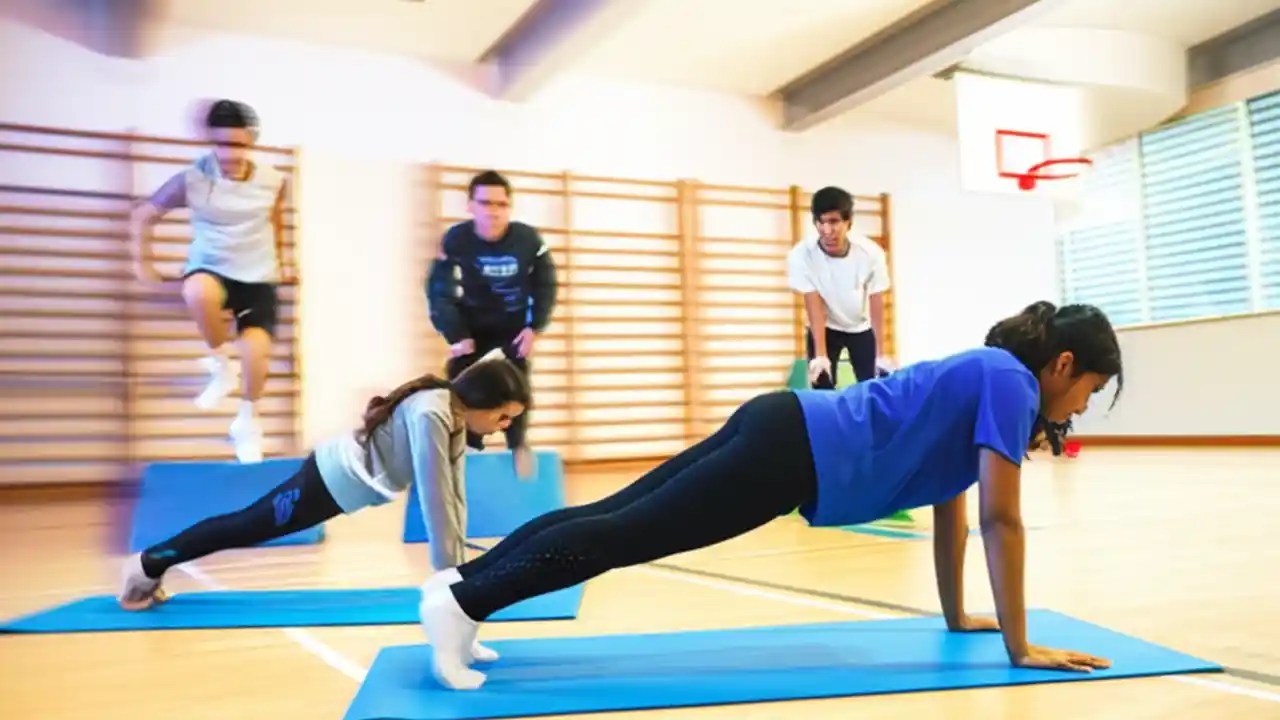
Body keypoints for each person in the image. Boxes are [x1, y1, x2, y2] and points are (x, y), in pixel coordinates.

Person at [417, 301, 1122, 690]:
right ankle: (462, 604)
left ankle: (460, 586)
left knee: (610, 515)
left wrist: (960, 614)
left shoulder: (995, 378)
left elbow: (957, 513)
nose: (1082, 407)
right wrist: (1021, 646)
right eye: (1090, 389)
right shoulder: (1013, 382)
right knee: (623, 535)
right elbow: (1005, 521)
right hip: (795, 454)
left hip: (784, 424)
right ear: (1064, 364)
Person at [117, 350, 530, 659]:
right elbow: (435, 495)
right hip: (327, 482)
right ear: (481, 402)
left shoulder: (453, 415)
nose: (505, 427)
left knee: (243, 525)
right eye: (503, 417)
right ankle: (146, 565)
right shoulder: (432, 415)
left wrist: (454, 569)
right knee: (243, 526)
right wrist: (450, 578)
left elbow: (453, 492)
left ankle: (149, 565)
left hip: (336, 482)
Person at [128, 99, 290, 463]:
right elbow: (144, 215)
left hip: (258, 277)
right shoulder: (194, 179)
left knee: (256, 357)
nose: (228, 154)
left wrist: (283, 261)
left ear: (251, 142)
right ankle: (220, 365)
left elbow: (275, 222)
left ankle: (247, 422)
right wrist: (143, 265)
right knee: (196, 290)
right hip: (212, 269)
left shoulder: (274, 181)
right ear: (211, 142)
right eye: (221, 144)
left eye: (237, 145)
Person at [426, 170, 557, 478]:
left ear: (509, 207)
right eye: (485, 203)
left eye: (501, 205)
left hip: (512, 329)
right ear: (471, 206)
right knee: (460, 387)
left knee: (516, 390)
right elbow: (439, 290)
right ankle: (466, 447)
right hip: (472, 329)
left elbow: (545, 284)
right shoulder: (456, 240)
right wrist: (455, 334)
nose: (493, 212)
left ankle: (518, 445)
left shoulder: (528, 240)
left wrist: (534, 327)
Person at [787, 186, 892, 389]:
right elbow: (813, 302)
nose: (827, 231)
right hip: (825, 327)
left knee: (873, 388)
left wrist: (881, 354)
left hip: (860, 326)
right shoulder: (802, 255)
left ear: (848, 222)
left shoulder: (870, 253)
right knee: (822, 386)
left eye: (834, 222)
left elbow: (876, 300)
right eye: (821, 222)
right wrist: (820, 355)